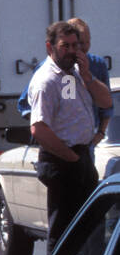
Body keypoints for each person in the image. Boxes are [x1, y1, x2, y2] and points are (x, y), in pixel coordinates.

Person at [26, 20, 112, 252]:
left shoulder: (70, 74)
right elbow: (39, 128)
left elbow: (105, 101)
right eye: (66, 46)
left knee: (88, 228)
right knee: (63, 231)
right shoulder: (47, 80)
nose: (73, 51)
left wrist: (88, 77)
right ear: (50, 47)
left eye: (76, 46)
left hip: (81, 156)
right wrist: (71, 158)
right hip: (63, 160)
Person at [18, 17, 113, 153]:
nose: (84, 47)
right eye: (79, 44)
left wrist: (100, 133)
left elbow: (101, 105)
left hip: (86, 148)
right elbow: (29, 109)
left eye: (87, 42)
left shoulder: (87, 66)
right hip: (63, 152)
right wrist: (65, 150)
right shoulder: (51, 73)